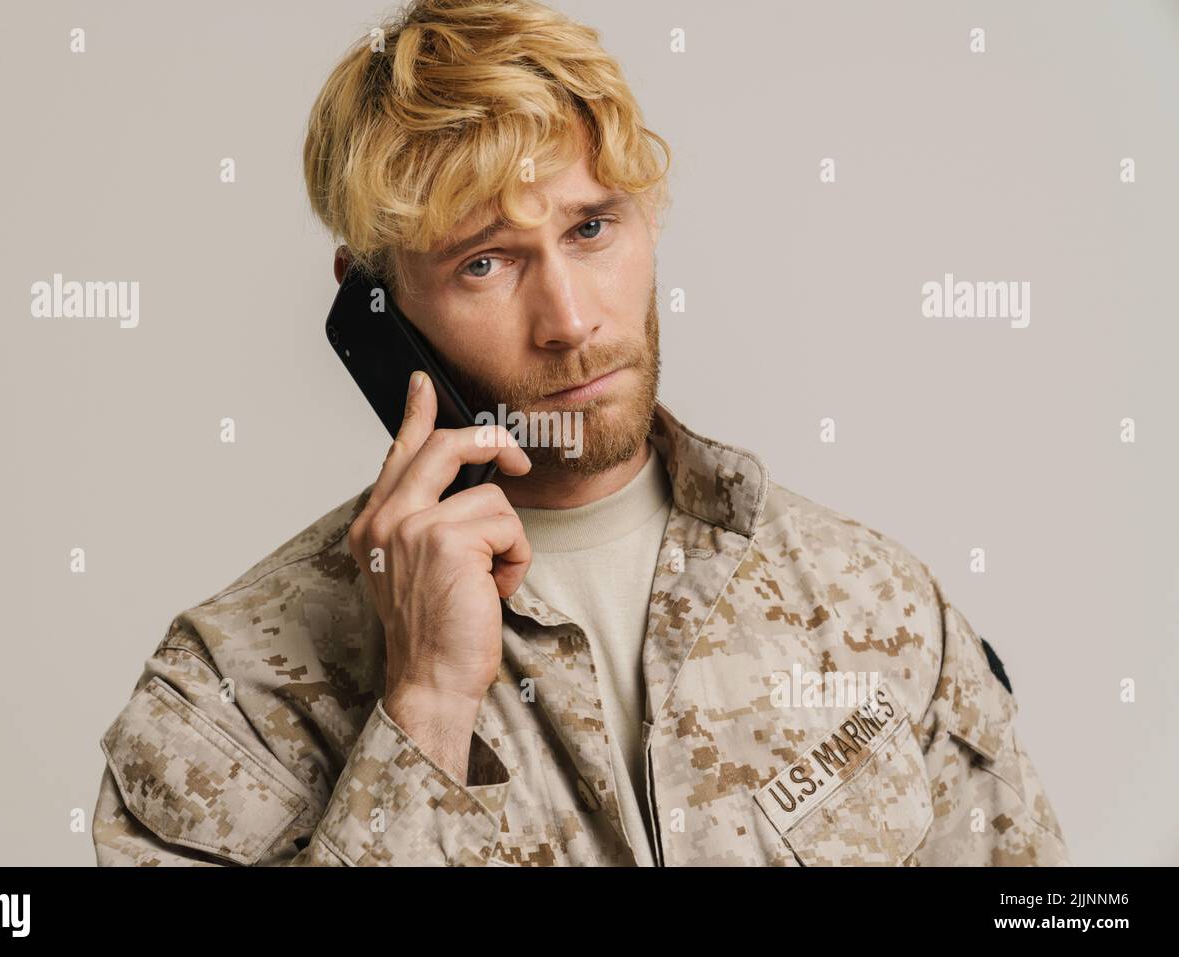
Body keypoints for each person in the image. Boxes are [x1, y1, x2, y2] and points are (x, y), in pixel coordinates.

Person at [92, 0, 1068, 866]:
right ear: (374, 306)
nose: (568, 318)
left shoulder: (875, 602)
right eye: (484, 264)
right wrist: (424, 704)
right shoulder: (226, 697)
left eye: (592, 229)